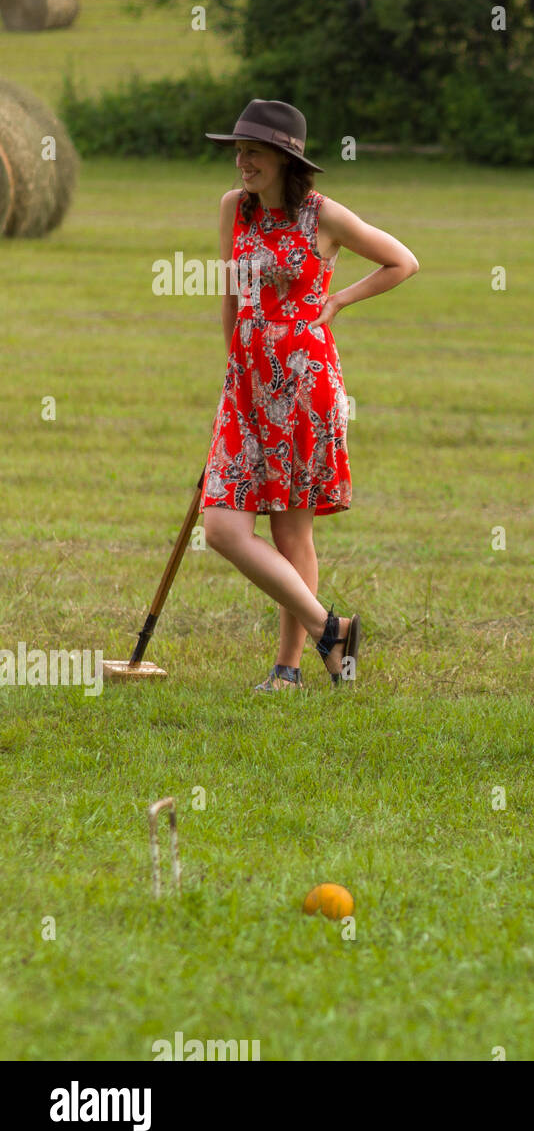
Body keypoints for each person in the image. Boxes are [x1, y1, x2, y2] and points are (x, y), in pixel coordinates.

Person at [201, 99, 419, 692]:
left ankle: (288, 669)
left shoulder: (324, 215)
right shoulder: (233, 210)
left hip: (304, 385)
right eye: (238, 151)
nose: (242, 162)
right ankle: (331, 627)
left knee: (292, 534)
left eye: (254, 152)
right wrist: (233, 375)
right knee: (221, 528)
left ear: (285, 158)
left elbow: (403, 261)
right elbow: (230, 297)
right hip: (246, 384)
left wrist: (341, 300)